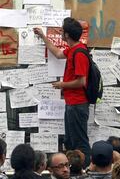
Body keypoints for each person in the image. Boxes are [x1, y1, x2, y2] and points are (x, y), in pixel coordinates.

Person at [34, 18, 91, 166]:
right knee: (70, 141)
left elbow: (82, 81)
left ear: (67, 34)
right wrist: (43, 36)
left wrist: (62, 85)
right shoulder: (72, 50)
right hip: (72, 104)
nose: (60, 32)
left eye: (62, 30)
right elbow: (58, 54)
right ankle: (73, 170)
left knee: (80, 142)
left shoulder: (79, 53)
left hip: (78, 105)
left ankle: (84, 171)